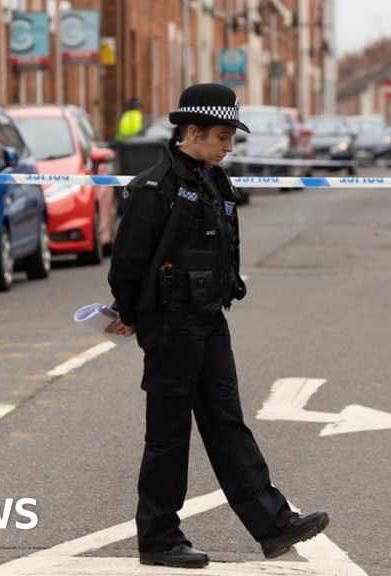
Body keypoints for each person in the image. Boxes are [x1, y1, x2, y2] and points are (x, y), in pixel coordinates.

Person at [105, 83, 329, 569]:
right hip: (170, 324)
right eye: (222, 136)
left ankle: (273, 525)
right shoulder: (154, 187)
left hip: (208, 319)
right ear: (191, 132)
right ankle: (159, 537)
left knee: (227, 422)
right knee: (167, 435)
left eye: (232, 136)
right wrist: (130, 312)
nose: (229, 146)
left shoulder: (214, 181)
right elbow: (126, 262)